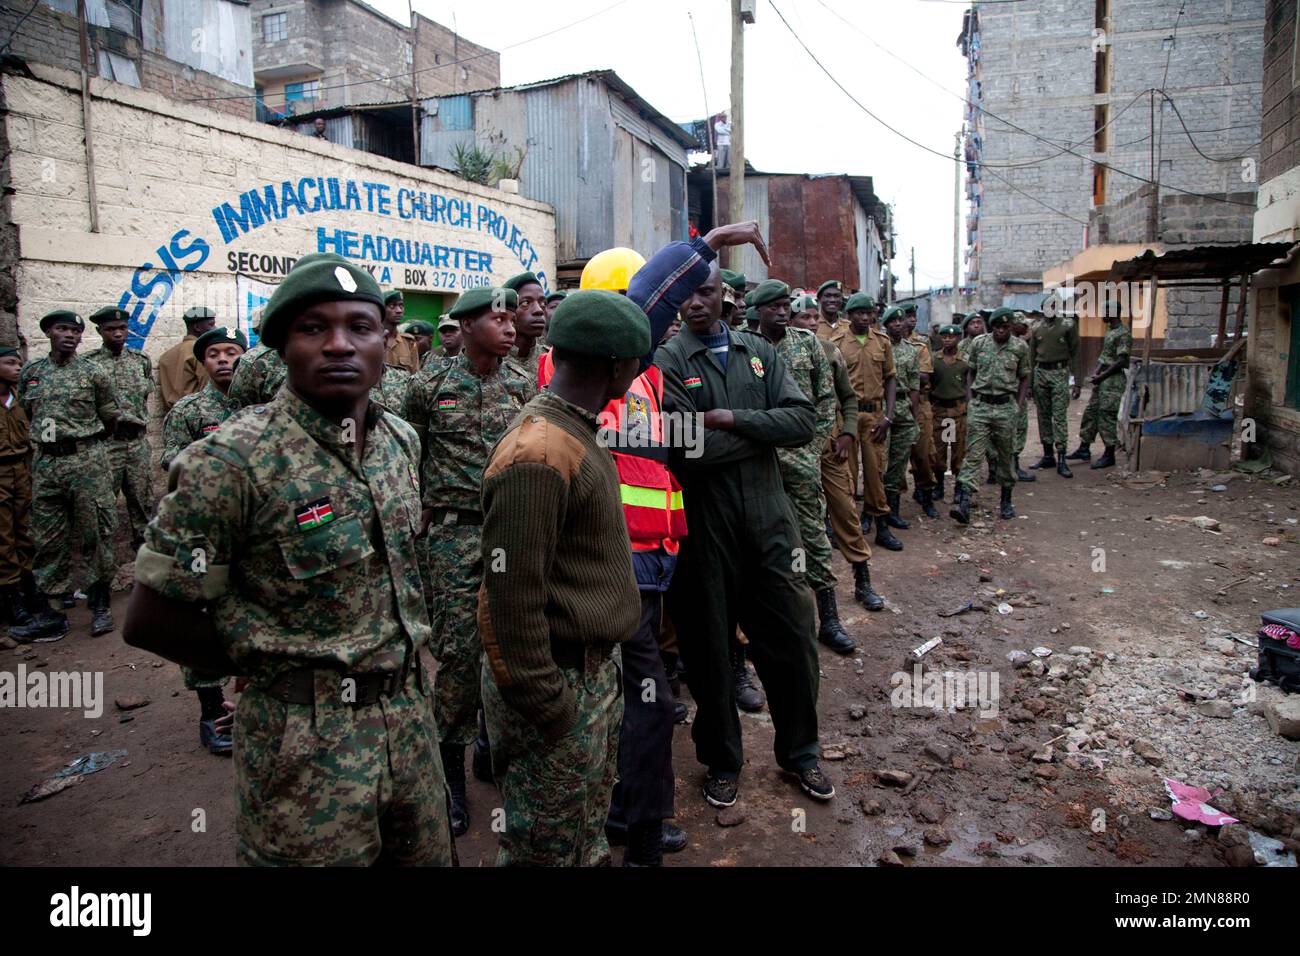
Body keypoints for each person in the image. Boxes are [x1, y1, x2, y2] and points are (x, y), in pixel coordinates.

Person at [125, 252, 453, 867]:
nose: (339, 345)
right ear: (280, 347)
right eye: (312, 328)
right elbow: (152, 617)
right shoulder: (229, 463)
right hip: (303, 747)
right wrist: (269, 660)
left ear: (384, 340)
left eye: (359, 327)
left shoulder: (399, 442)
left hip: (409, 723)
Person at [641, 230, 835, 809]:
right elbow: (681, 447)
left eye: (706, 292)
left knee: (794, 640)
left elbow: (801, 420)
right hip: (704, 529)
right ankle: (722, 760)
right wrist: (758, 432)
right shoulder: (668, 361)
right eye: (688, 296)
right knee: (708, 652)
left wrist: (730, 420)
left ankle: (801, 753)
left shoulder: (760, 351)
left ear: (724, 294)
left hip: (771, 524)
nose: (696, 303)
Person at [479, 289, 647, 866]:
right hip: (559, 684)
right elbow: (509, 599)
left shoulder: (574, 429)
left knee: (583, 834)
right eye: (636, 363)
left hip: (592, 673)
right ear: (616, 367)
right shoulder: (541, 452)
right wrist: (549, 704)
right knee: (543, 850)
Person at [403, 285, 535, 837]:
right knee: (458, 654)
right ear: (467, 325)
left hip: (509, 530)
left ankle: (492, 748)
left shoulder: (523, 386)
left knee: (508, 643)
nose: (511, 327)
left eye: (511, 318)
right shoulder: (428, 385)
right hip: (454, 535)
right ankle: (450, 776)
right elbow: (406, 446)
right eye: (498, 319)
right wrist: (419, 509)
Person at [743, 280, 854, 654]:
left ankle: (830, 618)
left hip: (800, 457)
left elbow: (826, 397)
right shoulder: (742, 345)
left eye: (783, 304)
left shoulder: (806, 343)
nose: (780, 311)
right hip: (754, 458)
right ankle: (766, 623)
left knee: (811, 532)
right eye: (771, 306)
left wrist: (814, 443)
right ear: (756, 310)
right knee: (756, 540)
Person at [158, 325, 248, 755]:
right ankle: (212, 710)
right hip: (206, 532)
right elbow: (169, 457)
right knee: (204, 617)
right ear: (203, 363)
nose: (224, 360)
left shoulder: (263, 408)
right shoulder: (190, 409)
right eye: (215, 354)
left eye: (232, 352)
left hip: (255, 534)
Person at [12, 310, 121, 642]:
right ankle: (51, 614)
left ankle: (100, 607)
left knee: (96, 534)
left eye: (75, 330)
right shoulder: (32, 373)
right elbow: (29, 413)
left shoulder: (93, 372)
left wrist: (85, 444)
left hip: (87, 462)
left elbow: (110, 416)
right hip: (46, 464)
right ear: (49, 333)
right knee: (47, 538)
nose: (70, 335)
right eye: (63, 329)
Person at [790, 296, 885, 612]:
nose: (812, 324)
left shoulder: (830, 351)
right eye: (804, 318)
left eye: (815, 318)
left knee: (844, 510)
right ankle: (802, 585)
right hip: (793, 452)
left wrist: (846, 433)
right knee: (801, 523)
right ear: (792, 321)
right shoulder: (773, 353)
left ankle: (862, 578)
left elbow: (848, 397)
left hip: (830, 449)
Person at [819, 293, 900, 549]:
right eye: (859, 313)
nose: (865, 318)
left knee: (876, 473)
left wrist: (889, 415)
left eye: (869, 314)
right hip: (847, 418)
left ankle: (882, 527)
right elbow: (830, 383)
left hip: (875, 416)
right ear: (849, 315)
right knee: (847, 475)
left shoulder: (882, 342)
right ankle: (849, 530)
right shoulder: (837, 342)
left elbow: (890, 378)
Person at [950, 307, 1031, 524]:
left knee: (1005, 454)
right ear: (991, 327)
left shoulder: (1020, 347)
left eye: (1005, 327)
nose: (1001, 331)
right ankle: (964, 502)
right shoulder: (979, 344)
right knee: (974, 453)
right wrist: (971, 399)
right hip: (981, 405)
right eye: (997, 327)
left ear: (1010, 327)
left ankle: (1006, 500)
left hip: (1006, 406)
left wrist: (1018, 404)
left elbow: (1024, 377)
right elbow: (971, 371)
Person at [84, 306, 154, 550]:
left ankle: (145, 564)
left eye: (122, 328)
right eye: (110, 329)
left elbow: (144, 399)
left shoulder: (141, 361)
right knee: (102, 506)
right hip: (107, 444)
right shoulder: (89, 365)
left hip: (137, 443)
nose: (117, 334)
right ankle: (104, 565)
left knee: (143, 503)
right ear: (99, 331)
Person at [0, 346, 36, 631]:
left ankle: (29, 588)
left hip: (21, 471)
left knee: (25, 532)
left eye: (19, 363)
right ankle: (11, 598)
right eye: (10, 363)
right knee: (4, 538)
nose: (18, 368)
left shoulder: (20, 400)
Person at [1068, 308, 1131, 469]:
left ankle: (1109, 454)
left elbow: (1121, 361)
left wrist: (1102, 376)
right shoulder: (1110, 331)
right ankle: (1084, 448)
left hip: (1113, 381)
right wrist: (1097, 373)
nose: (1102, 314)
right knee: (1091, 412)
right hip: (1103, 380)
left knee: (1106, 416)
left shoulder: (1123, 333)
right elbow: (1105, 357)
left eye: (1105, 311)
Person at [1027, 296, 1080, 478]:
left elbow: (1075, 353)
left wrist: (1076, 381)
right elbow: (1031, 356)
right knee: (1042, 415)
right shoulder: (1035, 328)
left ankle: (1062, 457)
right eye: (1046, 306)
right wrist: (1029, 384)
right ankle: (1047, 454)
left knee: (1059, 415)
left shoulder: (1067, 325)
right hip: (1041, 372)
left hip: (1059, 372)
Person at [881, 307, 921, 530]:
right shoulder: (879, 345)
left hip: (904, 407)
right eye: (892, 321)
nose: (897, 324)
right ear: (885, 325)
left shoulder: (912, 351)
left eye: (900, 320)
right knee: (878, 462)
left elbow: (915, 385)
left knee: (898, 463)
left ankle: (892, 510)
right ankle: (873, 509)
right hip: (882, 406)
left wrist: (914, 418)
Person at [902, 306, 938, 518]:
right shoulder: (884, 343)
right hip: (894, 403)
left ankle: (925, 493)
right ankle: (892, 500)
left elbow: (925, 376)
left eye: (913, 316)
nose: (910, 321)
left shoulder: (921, 343)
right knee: (892, 456)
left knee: (923, 452)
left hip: (920, 402)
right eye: (907, 316)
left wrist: (897, 376)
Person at [928, 324, 969, 502]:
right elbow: (929, 384)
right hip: (940, 411)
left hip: (958, 411)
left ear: (958, 338)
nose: (947, 340)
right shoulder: (934, 359)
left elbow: (968, 385)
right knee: (940, 450)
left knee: (959, 452)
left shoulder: (964, 361)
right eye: (944, 336)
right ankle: (939, 486)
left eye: (952, 337)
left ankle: (960, 489)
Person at [157, 306, 216, 414]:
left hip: (173, 415)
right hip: (198, 414)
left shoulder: (166, 356)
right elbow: (209, 388)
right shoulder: (201, 351)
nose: (215, 328)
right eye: (211, 324)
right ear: (197, 327)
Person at [504, 272, 549, 380]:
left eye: (543, 303)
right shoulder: (493, 361)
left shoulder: (552, 359)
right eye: (525, 303)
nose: (539, 310)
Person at [1009, 313, 1037, 482]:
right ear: (1014, 325)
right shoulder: (1019, 345)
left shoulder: (1020, 343)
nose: (1028, 329)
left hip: (1012, 393)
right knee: (1018, 429)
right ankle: (1013, 466)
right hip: (1014, 394)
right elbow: (1024, 375)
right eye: (1024, 325)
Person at [382, 291, 421, 373]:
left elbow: (414, 375)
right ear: (382, 310)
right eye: (392, 306)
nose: (399, 310)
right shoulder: (372, 340)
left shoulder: (408, 342)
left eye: (401, 305)